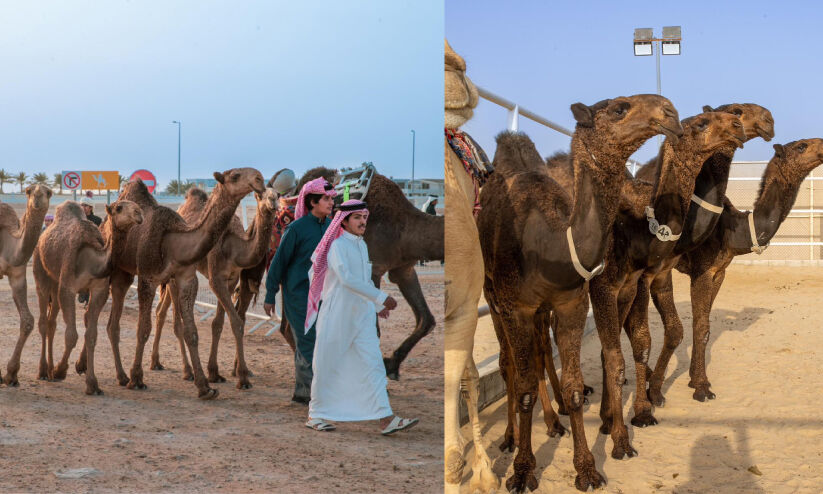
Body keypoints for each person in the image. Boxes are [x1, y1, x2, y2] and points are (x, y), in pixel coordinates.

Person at [304, 199, 419, 435]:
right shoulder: (337, 247)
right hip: (338, 316)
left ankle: (386, 418)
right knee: (327, 364)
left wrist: (377, 305)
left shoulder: (361, 245)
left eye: (364, 217)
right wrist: (381, 296)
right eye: (357, 217)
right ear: (344, 222)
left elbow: (364, 280)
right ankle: (315, 415)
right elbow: (346, 279)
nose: (362, 222)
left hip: (362, 316)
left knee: (374, 364)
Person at [263, 177, 336, 405]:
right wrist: (270, 295)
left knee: (323, 342)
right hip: (298, 295)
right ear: (313, 202)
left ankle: (306, 392)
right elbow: (278, 263)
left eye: (331, 199)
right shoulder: (296, 229)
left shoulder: (332, 227)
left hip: (325, 295)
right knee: (307, 342)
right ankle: (311, 395)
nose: (331, 203)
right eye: (326, 199)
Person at [78, 198, 101, 305]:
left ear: (90, 208)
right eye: (81, 205)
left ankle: (88, 297)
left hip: (93, 252)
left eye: (85, 205)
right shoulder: (77, 219)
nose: (83, 207)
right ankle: (82, 291)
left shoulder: (98, 220)